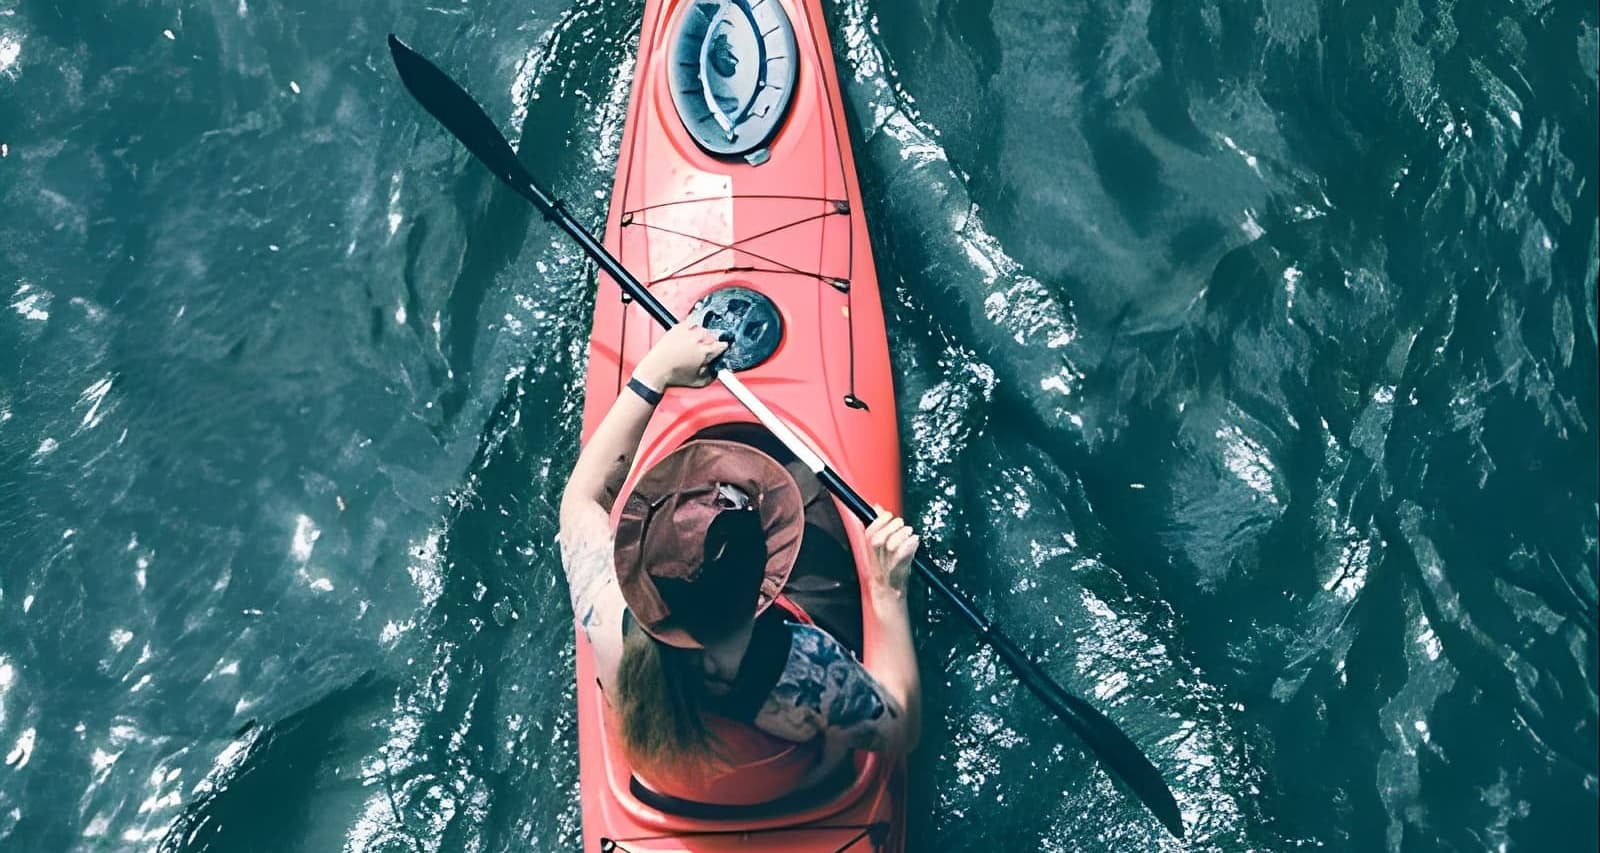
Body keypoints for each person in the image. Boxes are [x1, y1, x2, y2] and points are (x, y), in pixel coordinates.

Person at [557, 322, 921, 801]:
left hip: (667, 786)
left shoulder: (603, 607)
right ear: (764, 580)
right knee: (811, 497)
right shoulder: (808, 669)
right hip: (784, 782)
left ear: (639, 569)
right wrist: (887, 593)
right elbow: (901, 732)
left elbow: (580, 500)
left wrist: (653, 373)